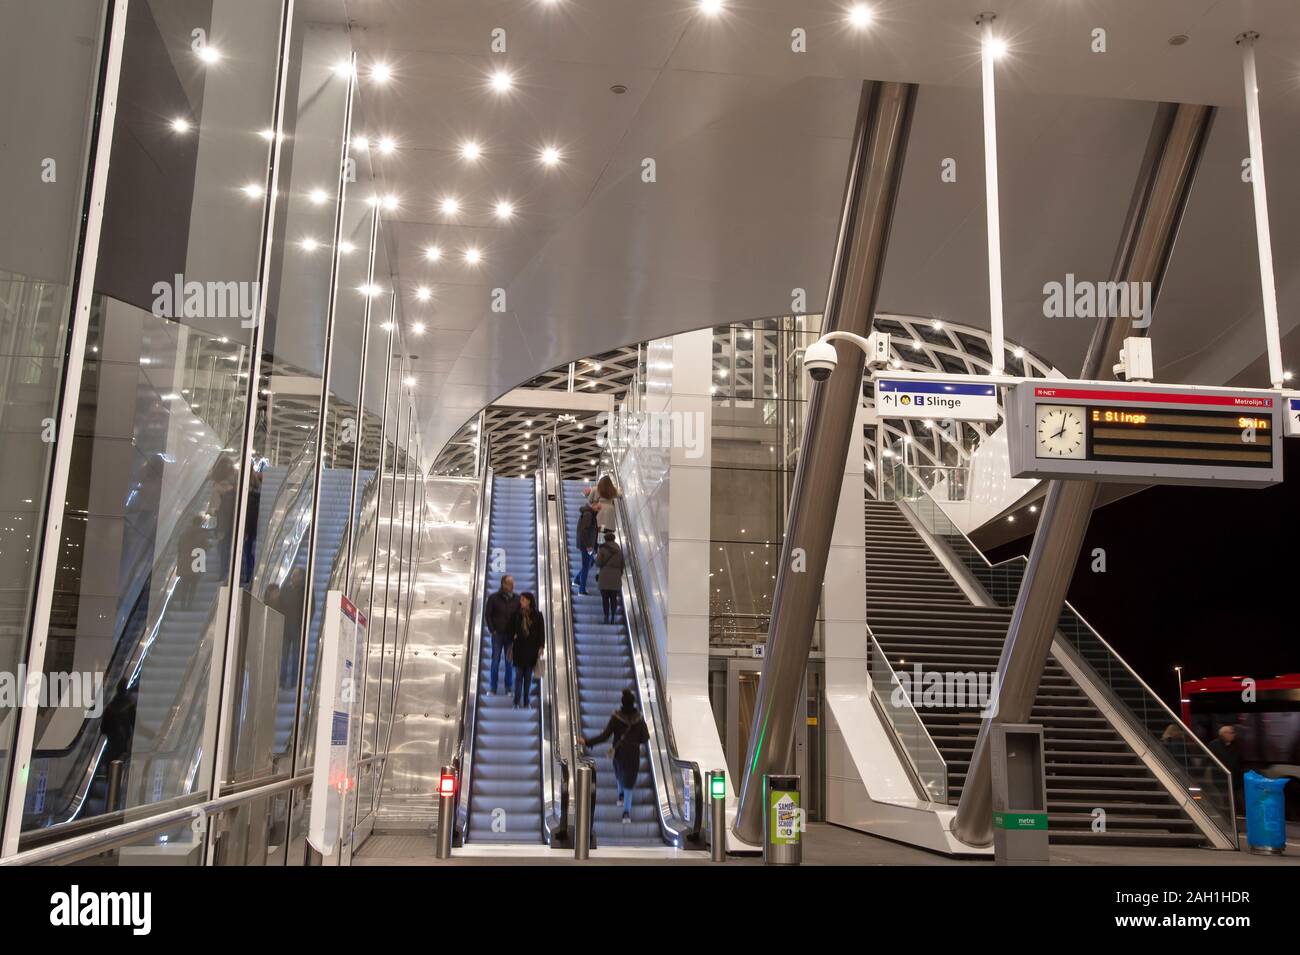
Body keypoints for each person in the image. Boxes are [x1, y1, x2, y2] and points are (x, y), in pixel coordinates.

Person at [580, 688, 649, 824]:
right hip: (633, 754)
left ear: (622, 703)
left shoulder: (616, 717)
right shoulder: (639, 718)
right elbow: (645, 738)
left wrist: (587, 742)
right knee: (630, 782)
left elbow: (605, 736)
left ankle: (620, 795)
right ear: (633, 703)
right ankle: (626, 813)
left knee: (619, 773)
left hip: (619, 753)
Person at [508, 592, 544, 709]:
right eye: (521, 600)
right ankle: (516, 702)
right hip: (519, 649)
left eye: (523, 600)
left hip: (531, 651)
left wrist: (541, 647)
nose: (521, 602)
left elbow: (541, 633)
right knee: (518, 677)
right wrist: (512, 637)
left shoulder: (538, 615)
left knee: (528, 678)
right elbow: (512, 629)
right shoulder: (517, 614)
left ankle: (526, 701)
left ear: (529, 601)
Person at [484, 574, 519, 695]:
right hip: (497, 635)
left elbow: (521, 617)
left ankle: (508, 687)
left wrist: (517, 632)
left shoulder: (517, 599)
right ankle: (493, 688)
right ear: (503, 584)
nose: (512, 585)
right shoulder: (494, 598)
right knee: (495, 661)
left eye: (513, 583)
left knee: (509, 662)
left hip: (511, 636)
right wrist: (492, 630)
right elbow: (488, 615)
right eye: (509, 583)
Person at [278, 566, 306, 689]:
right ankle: (281, 681)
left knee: (296, 656)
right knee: (283, 656)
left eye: (296, 575)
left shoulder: (305, 591)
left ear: (301, 577)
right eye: (293, 575)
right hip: (285, 628)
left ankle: (294, 682)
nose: (293, 577)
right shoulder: (285, 589)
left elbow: (311, 608)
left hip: (298, 629)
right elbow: (279, 605)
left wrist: (304, 625)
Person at [176, 515, 209, 610]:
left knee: (184, 586)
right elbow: (205, 549)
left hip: (184, 564)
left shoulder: (183, 534)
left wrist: (180, 563)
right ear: (200, 523)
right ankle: (189, 605)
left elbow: (179, 549)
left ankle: (182, 605)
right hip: (196, 564)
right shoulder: (202, 535)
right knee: (193, 587)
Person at [595, 529, 624, 625]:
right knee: (613, 598)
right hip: (615, 578)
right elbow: (622, 565)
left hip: (604, 578)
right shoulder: (619, 550)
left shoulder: (602, 549)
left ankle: (606, 616)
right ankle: (613, 617)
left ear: (605, 539)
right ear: (614, 539)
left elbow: (598, 563)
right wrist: (618, 574)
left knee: (605, 599)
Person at [573, 501, 598, 594]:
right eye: (598, 507)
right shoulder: (588, 514)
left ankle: (577, 580)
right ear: (593, 505)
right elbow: (583, 530)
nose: (600, 509)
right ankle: (581, 590)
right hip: (586, 545)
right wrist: (588, 545)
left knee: (590, 563)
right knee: (586, 565)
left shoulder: (590, 513)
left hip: (588, 544)